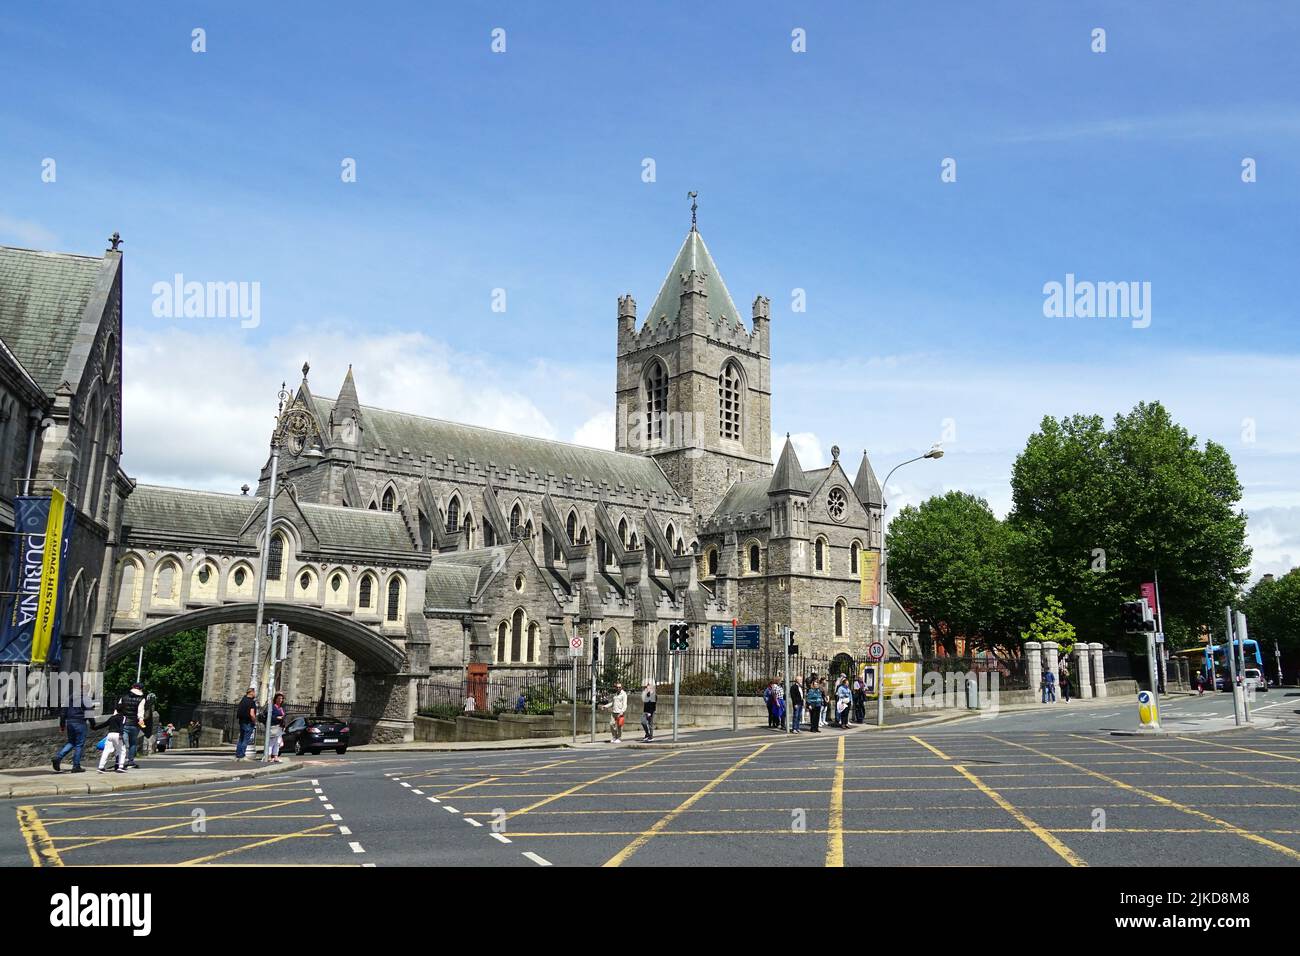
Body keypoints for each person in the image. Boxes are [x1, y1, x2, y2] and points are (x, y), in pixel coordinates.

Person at [53, 687, 96, 773]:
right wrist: (93, 724)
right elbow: (89, 714)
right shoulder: (85, 699)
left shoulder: (69, 698)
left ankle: (58, 757)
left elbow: (63, 713)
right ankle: (76, 766)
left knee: (71, 742)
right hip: (80, 723)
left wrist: (62, 725)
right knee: (79, 745)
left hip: (70, 723)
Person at [115, 683, 147, 768]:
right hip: (134, 724)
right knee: (133, 743)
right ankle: (131, 761)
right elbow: (140, 713)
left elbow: (117, 709)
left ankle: (119, 761)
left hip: (123, 723)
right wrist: (141, 722)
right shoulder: (141, 699)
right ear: (140, 689)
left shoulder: (123, 697)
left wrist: (115, 720)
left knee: (122, 743)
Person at [95, 708, 128, 774]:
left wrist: (95, 728)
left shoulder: (112, 717)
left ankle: (101, 767)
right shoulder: (123, 717)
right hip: (117, 734)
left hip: (110, 735)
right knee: (122, 750)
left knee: (106, 751)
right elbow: (122, 725)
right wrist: (121, 734)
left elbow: (105, 724)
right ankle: (120, 766)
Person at [235, 686, 258, 760]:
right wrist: (254, 721)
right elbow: (252, 714)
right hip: (248, 722)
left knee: (241, 739)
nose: (255, 694)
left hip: (242, 722)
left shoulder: (243, 700)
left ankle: (238, 755)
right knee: (245, 739)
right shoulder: (251, 702)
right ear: (251, 693)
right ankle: (242, 756)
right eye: (254, 692)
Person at [266, 693, 287, 763]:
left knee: (277, 743)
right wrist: (277, 717)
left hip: (280, 727)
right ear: (276, 699)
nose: (280, 700)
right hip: (273, 726)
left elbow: (284, 717)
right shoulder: (273, 707)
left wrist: (284, 725)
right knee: (271, 742)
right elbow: (270, 716)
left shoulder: (281, 708)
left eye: (281, 699)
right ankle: (268, 756)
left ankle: (275, 756)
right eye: (279, 698)